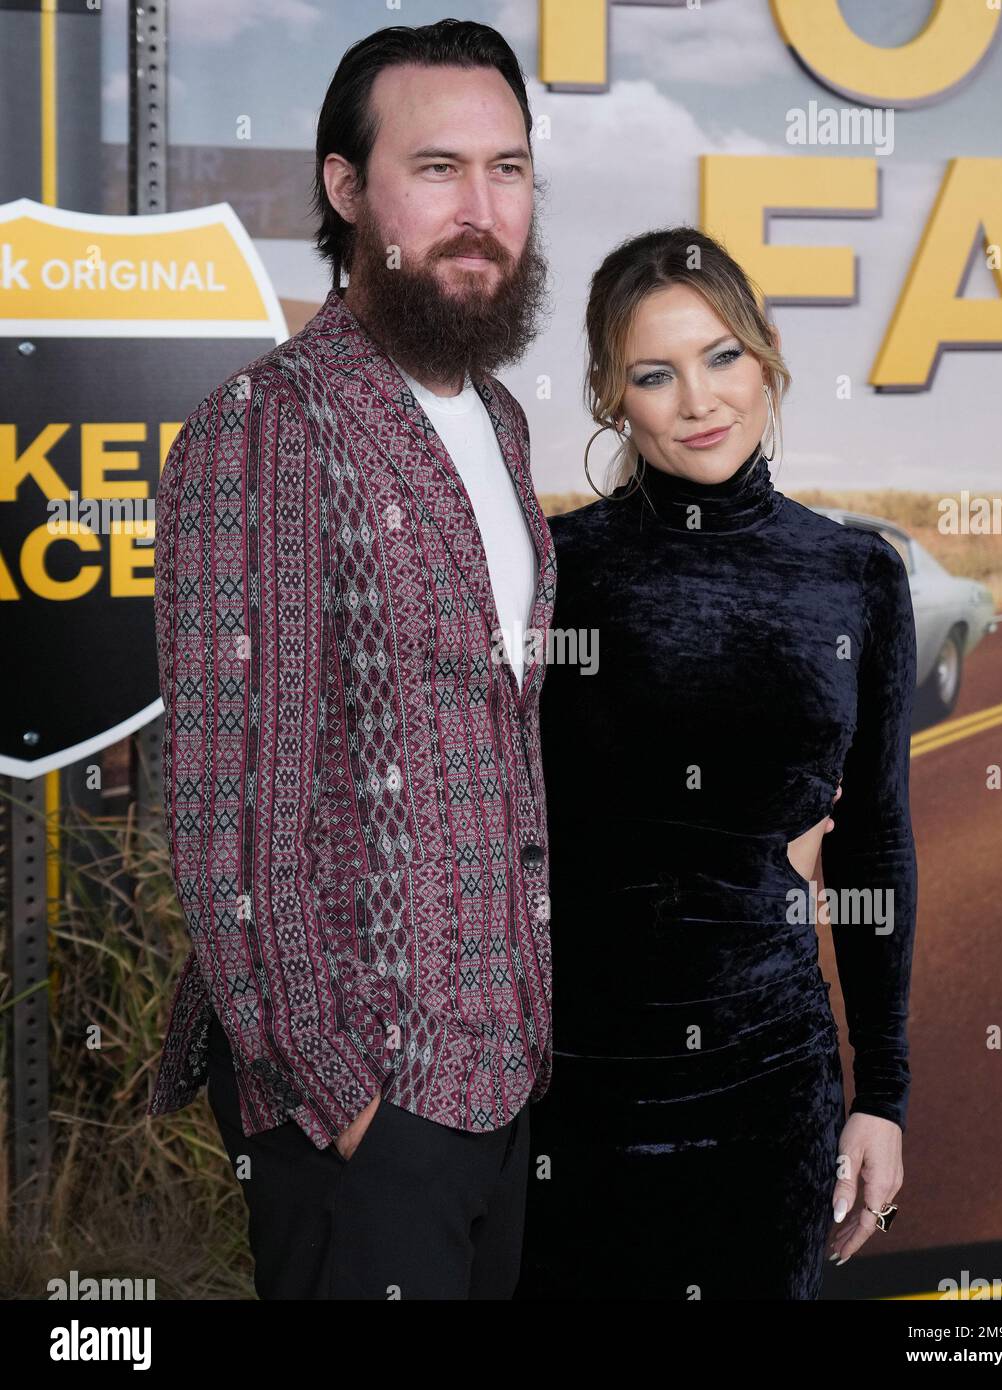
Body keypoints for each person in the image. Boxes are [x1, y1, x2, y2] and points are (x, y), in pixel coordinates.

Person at [149, 19, 555, 1299]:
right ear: (343, 187)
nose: (480, 209)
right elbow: (224, 806)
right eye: (436, 169)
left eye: (508, 170)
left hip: (502, 1071)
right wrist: (334, 1089)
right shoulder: (264, 426)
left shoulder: (498, 421)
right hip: (364, 1103)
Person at [516, 226, 917, 1300]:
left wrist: (879, 1093)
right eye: (655, 372)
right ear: (611, 395)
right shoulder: (551, 569)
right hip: (570, 1095)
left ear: (766, 356)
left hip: (770, 1086)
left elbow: (873, 839)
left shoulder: (856, 576)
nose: (698, 399)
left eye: (721, 356)